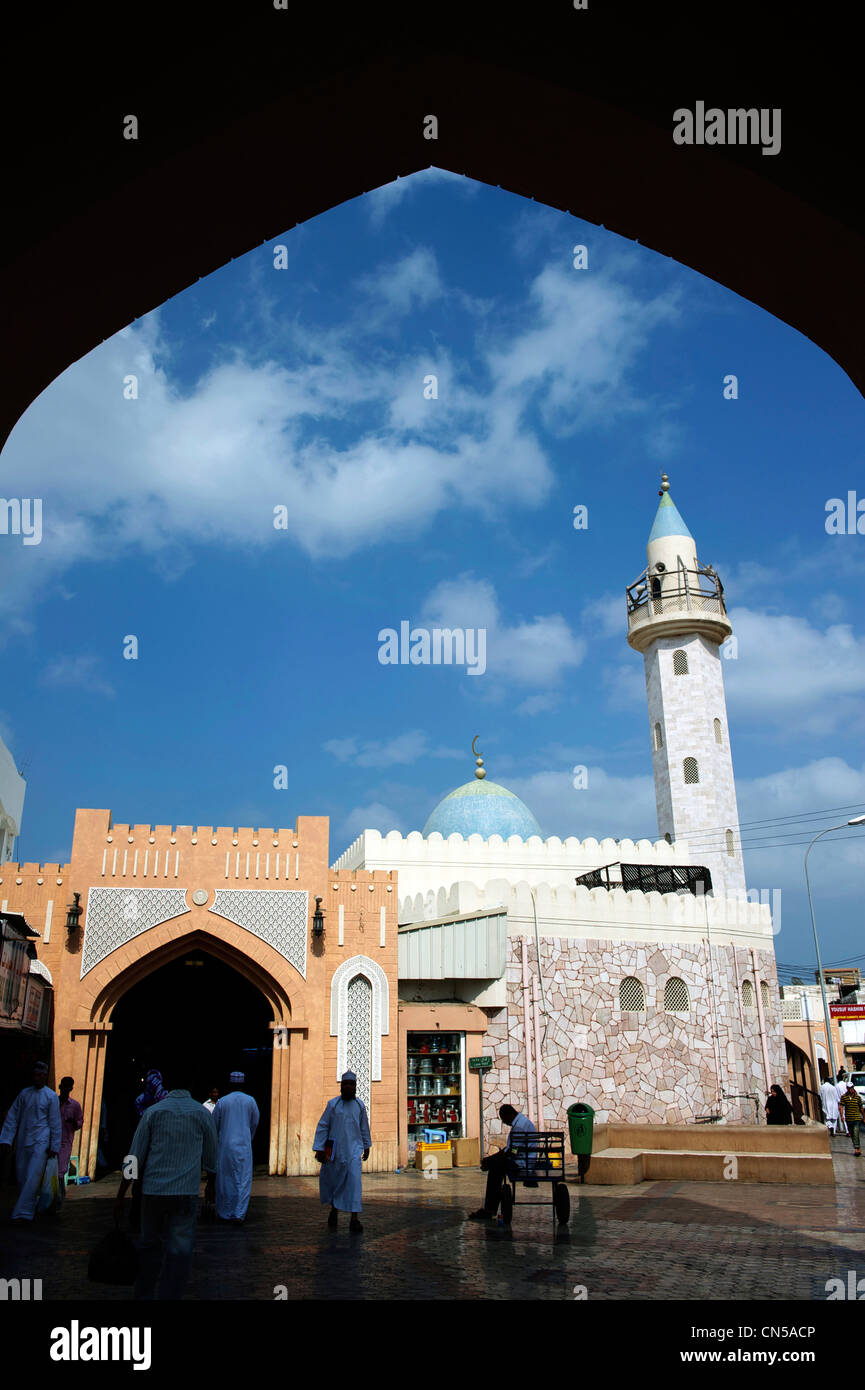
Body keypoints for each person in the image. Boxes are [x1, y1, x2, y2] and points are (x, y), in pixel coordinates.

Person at [116, 1071, 217, 1300]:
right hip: (185, 1193)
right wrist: (211, 1183)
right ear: (191, 1084)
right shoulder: (201, 1114)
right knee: (179, 1253)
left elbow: (134, 1156)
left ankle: (144, 1294)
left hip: (153, 1192)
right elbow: (212, 1156)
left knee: (149, 1247)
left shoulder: (153, 1112)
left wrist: (121, 1193)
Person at [0, 1061, 62, 1223]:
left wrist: (54, 1146)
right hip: (23, 1140)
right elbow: (12, 1117)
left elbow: (55, 1123)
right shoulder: (24, 1094)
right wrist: (6, 1139)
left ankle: (23, 1213)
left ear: (45, 1076)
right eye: (36, 1074)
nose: (38, 1077)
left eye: (41, 1075)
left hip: (41, 1143)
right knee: (22, 1175)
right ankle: (29, 1204)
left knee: (32, 1177)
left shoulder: (51, 1096)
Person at [313, 1071, 370, 1233]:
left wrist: (366, 1146)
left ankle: (354, 1219)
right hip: (335, 1152)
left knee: (354, 1184)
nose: (348, 1087)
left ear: (355, 1087)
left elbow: (364, 1127)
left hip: (353, 1152)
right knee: (334, 1182)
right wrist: (319, 1148)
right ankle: (334, 1211)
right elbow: (323, 1126)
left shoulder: (359, 1106)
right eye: (346, 1084)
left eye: (351, 1084)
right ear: (341, 1086)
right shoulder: (333, 1105)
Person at [469, 1103, 537, 1221]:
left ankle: (489, 1209)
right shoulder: (521, 1123)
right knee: (494, 1166)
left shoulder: (519, 1127)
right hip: (522, 1159)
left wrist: (492, 1160)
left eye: (504, 1119)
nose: (504, 1122)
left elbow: (512, 1151)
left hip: (522, 1163)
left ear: (509, 1115)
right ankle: (490, 1207)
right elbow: (511, 1149)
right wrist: (493, 1159)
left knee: (495, 1170)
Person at [214, 1072, 259, 1224]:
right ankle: (239, 1213)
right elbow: (255, 1122)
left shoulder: (222, 1102)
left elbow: (215, 1124)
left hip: (226, 1146)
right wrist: (248, 1137)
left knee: (226, 1179)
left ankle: (225, 1212)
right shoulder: (250, 1101)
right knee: (243, 1180)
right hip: (244, 1147)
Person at [57, 1076, 83, 1197]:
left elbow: (79, 1122)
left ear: (71, 1089)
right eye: (64, 1087)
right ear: (60, 1087)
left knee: (61, 1171)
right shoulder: (53, 1103)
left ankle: (60, 1196)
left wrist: (73, 1123)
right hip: (50, 1140)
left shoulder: (75, 1106)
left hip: (65, 1142)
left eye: (68, 1087)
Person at [840, 1084, 864, 1157]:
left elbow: (861, 1108)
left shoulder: (858, 1097)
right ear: (847, 1088)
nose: (851, 1089)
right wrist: (841, 1116)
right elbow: (841, 1106)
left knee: (856, 1132)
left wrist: (864, 1117)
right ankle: (857, 1147)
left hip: (857, 1118)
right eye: (849, 1088)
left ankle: (857, 1149)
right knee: (852, 1134)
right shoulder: (844, 1097)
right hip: (849, 1118)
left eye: (852, 1088)